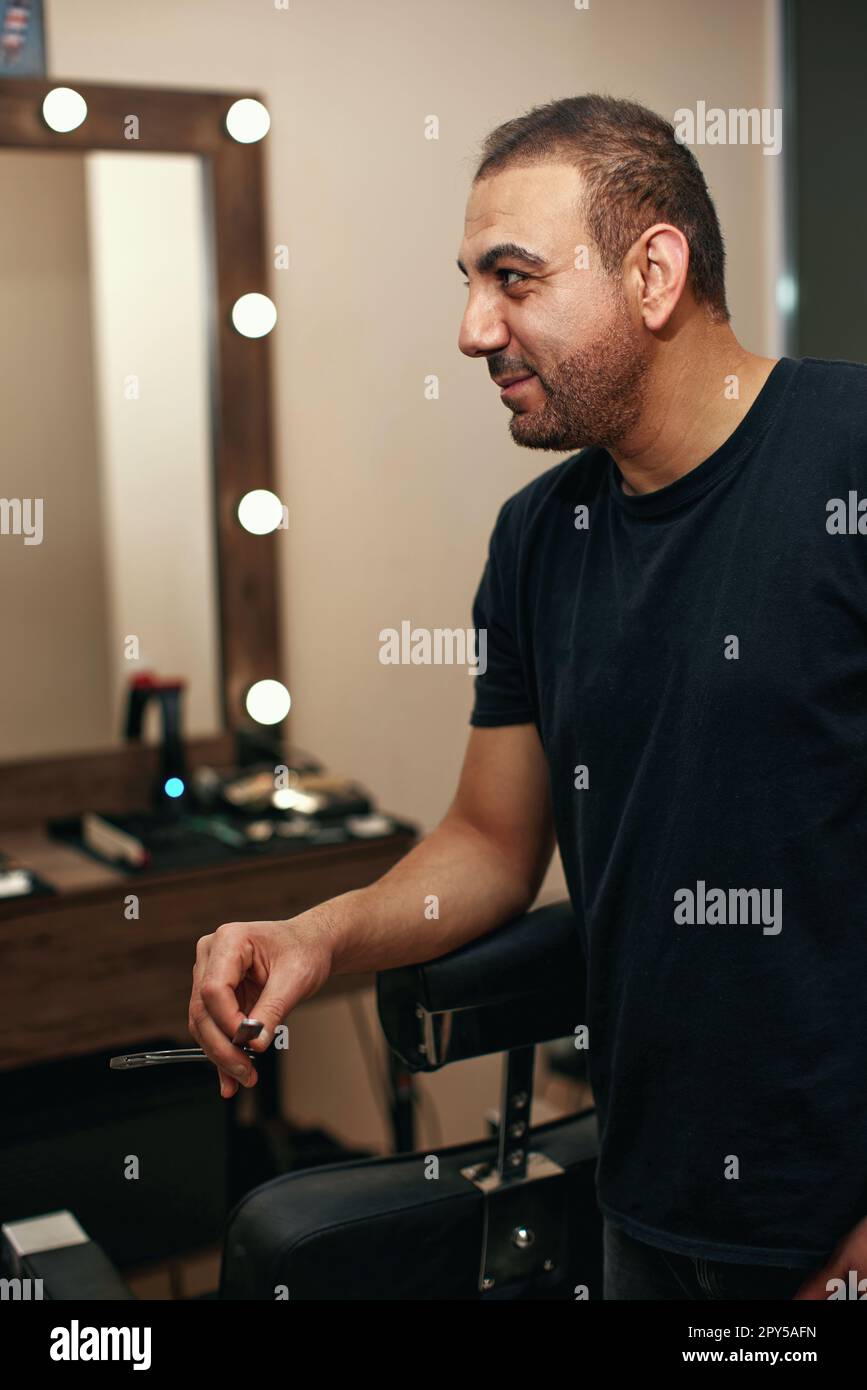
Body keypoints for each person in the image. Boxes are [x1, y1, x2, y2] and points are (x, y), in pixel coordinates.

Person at [188, 94, 867, 1301]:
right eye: (468, 280)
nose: (470, 328)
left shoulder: (850, 456)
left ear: (655, 271)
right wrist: (315, 935)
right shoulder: (541, 538)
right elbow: (492, 844)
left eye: (513, 277)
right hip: (644, 1193)